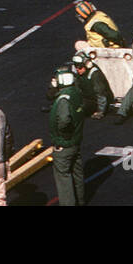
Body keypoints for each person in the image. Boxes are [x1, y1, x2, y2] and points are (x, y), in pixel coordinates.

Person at [48, 66, 86, 206]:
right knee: (77, 174)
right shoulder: (76, 93)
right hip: (76, 141)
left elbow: (64, 120)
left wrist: (62, 137)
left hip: (65, 144)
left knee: (63, 178)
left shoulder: (63, 99)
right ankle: (80, 201)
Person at [72, 51, 112, 119]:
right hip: (87, 98)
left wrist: (100, 112)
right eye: (75, 66)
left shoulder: (95, 74)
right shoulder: (78, 73)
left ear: (87, 65)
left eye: (80, 67)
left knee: (80, 109)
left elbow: (101, 93)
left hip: (96, 101)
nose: (77, 69)